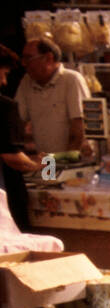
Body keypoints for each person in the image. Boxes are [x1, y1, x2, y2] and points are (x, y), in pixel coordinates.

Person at [15, 39, 90, 157]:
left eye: (28, 58)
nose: (24, 63)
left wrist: (65, 162)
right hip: (46, 161)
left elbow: (79, 129)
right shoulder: (27, 82)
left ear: (48, 58)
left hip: (71, 161)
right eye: (23, 59)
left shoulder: (72, 80)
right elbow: (17, 120)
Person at [0, 46, 39, 231]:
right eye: (3, 73)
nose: (4, 81)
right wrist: (39, 166)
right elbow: (13, 158)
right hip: (6, 196)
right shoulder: (5, 107)